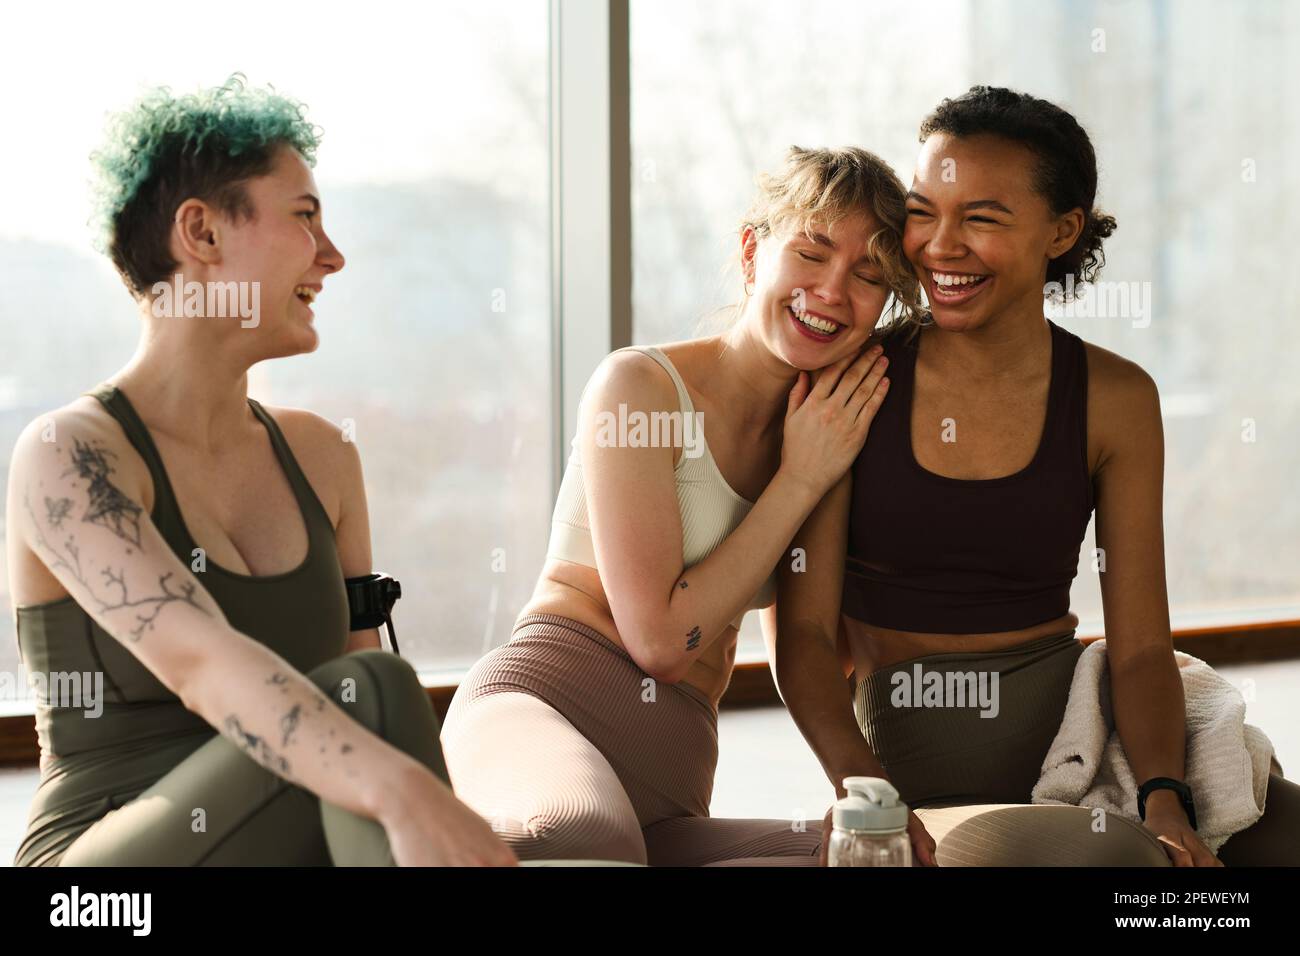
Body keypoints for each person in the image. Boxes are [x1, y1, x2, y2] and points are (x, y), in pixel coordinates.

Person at [771, 86, 1300, 867]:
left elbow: (1141, 648)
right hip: (924, 760)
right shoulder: (854, 378)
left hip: (1080, 735)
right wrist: (866, 790)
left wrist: (1164, 796)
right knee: (1111, 864)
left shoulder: (1116, 399)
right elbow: (805, 637)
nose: (940, 246)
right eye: (922, 212)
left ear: (1062, 230)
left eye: (981, 219)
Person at [7, 76, 515, 866]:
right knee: (373, 691)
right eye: (305, 217)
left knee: (373, 690)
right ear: (202, 233)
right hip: (100, 890)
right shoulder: (68, 453)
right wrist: (403, 791)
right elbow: (201, 663)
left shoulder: (323, 456)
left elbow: (365, 695)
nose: (333, 256)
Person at [439, 147, 914, 865]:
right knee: (583, 837)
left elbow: (806, 649)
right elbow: (659, 643)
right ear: (752, 253)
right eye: (811, 253)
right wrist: (798, 479)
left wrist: (875, 804)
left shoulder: (825, 435)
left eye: (868, 275)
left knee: (869, 859)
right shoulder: (640, 388)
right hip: (543, 712)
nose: (832, 290)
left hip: (669, 786)